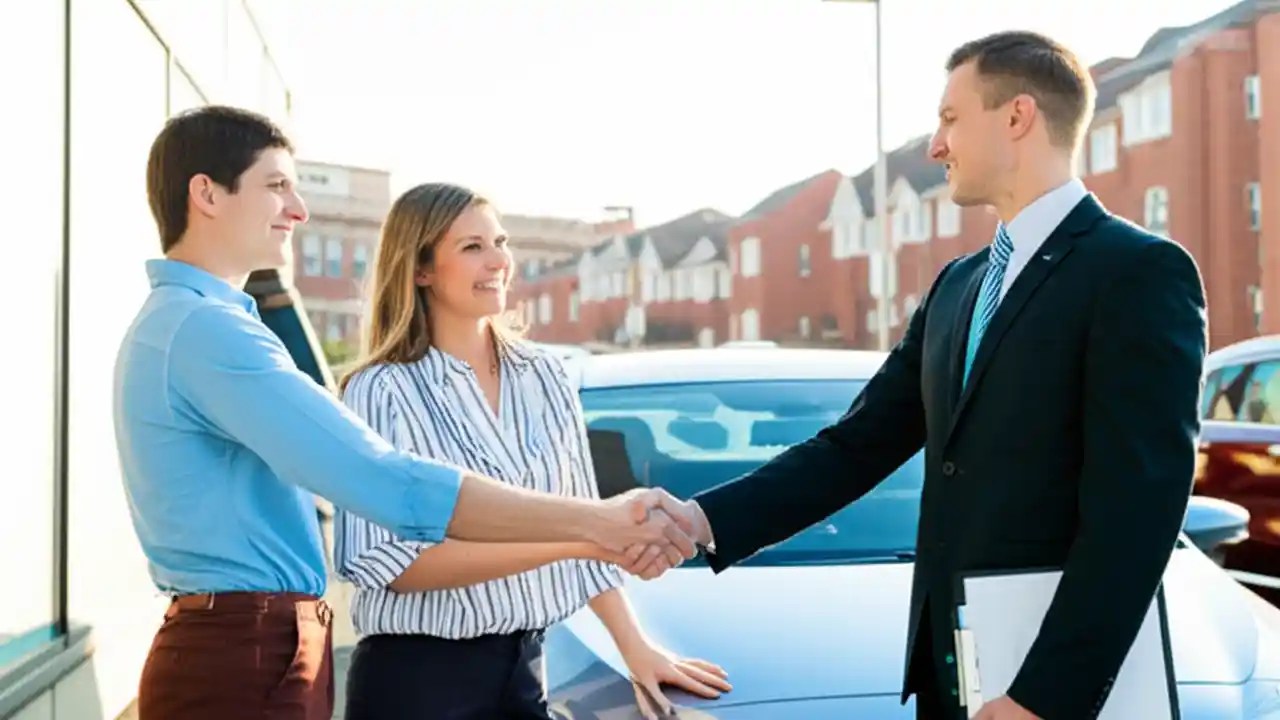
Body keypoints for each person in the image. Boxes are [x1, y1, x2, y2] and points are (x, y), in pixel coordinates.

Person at [646, 31, 1208, 720]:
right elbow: (856, 445)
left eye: (949, 119)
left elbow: (1137, 513)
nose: (935, 146)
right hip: (951, 670)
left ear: (1017, 117)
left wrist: (1043, 696)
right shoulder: (958, 286)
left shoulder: (1138, 273)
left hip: (1049, 690)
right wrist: (701, 518)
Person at [114, 105, 695, 720]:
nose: (299, 209)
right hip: (253, 652)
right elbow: (386, 482)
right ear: (206, 193)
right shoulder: (208, 333)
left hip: (269, 646)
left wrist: (603, 568)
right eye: (277, 185)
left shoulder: (204, 326)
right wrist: (586, 528)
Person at [334, 182, 731, 720]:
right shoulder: (380, 390)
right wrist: (578, 539)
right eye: (472, 247)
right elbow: (389, 563)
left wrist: (636, 649)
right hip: (417, 683)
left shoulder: (546, 375)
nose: (499, 260)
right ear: (421, 268)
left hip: (526, 670)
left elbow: (586, 514)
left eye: (500, 242)